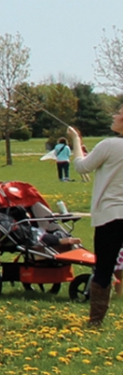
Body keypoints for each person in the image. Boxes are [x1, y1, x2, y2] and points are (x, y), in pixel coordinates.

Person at [67, 105, 123, 328]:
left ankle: (95, 322)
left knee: (104, 269)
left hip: (111, 215)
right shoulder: (108, 147)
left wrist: (75, 141)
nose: (114, 115)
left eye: (119, 113)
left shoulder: (109, 145)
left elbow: (82, 167)